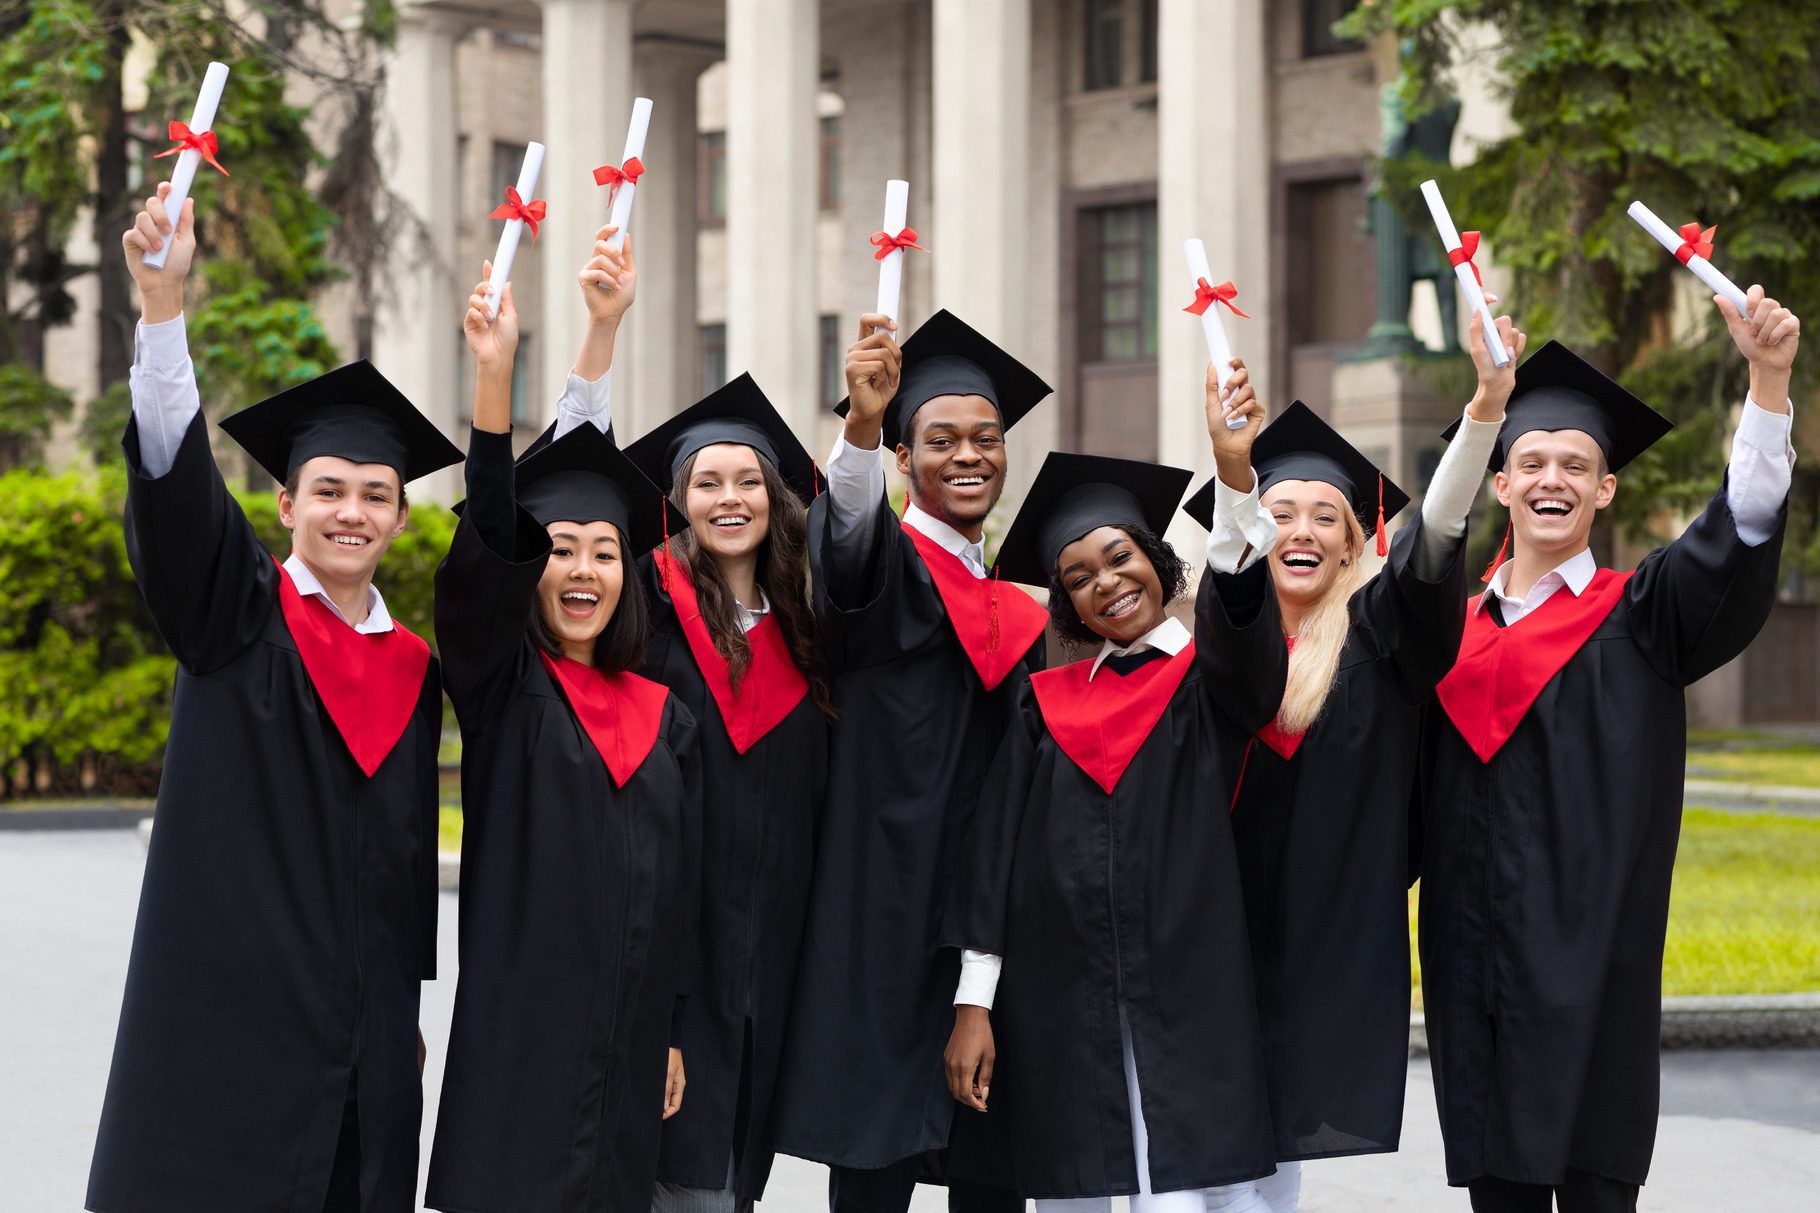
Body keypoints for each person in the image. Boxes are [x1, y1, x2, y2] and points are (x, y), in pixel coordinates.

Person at [90, 182, 461, 1213]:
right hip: (227, 1045)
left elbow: (397, 875)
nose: (351, 511)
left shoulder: (412, 667)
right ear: (286, 502)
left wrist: (401, 1019)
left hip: (367, 1054)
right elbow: (173, 488)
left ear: (397, 516)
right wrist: (162, 310)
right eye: (329, 490)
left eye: (375, 494)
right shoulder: (233, 616)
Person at [1416, 286, 1799, 1213]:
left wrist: (1769, 378)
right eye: (1532, 461)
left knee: (1596, 1189)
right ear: (1499, 482)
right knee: (1498, 1193)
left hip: (1595, 972)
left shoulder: (1643, 614)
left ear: (1606, 486)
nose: (1554, 479)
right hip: (1476, 969)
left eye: (1577, 465)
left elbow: (1740, 522)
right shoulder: (1442, 635)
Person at [1181, 311, 1520, 1211]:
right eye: (1280, 513)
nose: (1299, 529)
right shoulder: (1216, 643)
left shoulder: (1379, 642)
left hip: (1325, 935)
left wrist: (1485, 410)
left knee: (1277, 1148)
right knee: (1202, 1152)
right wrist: (1233, 476)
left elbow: (1436, 538)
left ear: (1350, 541)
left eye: (1323, 516)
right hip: (1211, 926)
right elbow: (1233, 603)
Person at [939, 426, 1290, 1211]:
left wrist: (1235, 476)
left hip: (1196, 999)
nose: (1108, 582)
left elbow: (1245, 625)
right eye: (1079, 576)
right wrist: (974, 1004)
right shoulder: (1044, 702)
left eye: (1120, 556)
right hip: (1059, 1004)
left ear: (1155, 558)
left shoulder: (1212, 683)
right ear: (1067, 603)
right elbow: (993, 857)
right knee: (1075, 1189)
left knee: (1196, 1194)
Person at [424, 269, 702, 1213]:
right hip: (519, 1053)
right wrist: (497, 381)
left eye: (606, 549)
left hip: (627, 1054)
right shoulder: (504, 688)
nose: (583, 566)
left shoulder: (668, 718)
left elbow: (675, 895)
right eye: (562, 546)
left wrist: (666, 1025)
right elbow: (490, 545)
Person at [769, 310, 1054, 1212]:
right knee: (876, 1169)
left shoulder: (1021, 606)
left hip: (993, 919)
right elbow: (846, 539)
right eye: (939, 439)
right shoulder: (887, 567)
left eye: (986, 438)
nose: (967, 455)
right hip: (881, 917)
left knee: (995, 1171)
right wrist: (859, 422)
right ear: (903, 458)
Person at [616, 378, 835, 1212]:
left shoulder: (809, 638)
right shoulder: (642, 619)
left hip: (771, 975)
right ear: (677, 502)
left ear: (776, 499)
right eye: (707, 482)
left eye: (749, 480)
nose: (730, 498)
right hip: (672, 960)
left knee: (735, 1179)